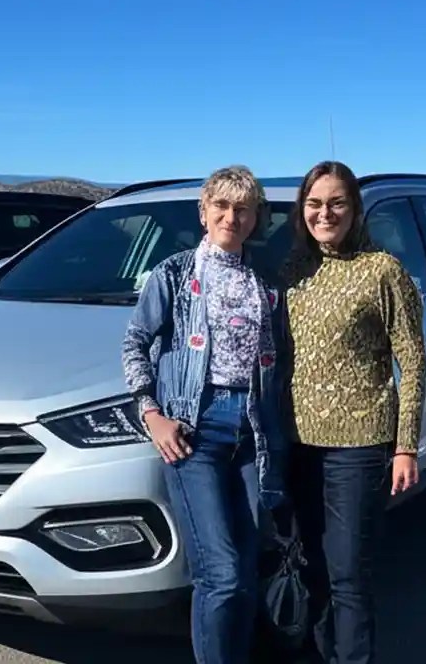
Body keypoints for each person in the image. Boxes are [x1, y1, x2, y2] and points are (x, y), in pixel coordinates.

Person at [120, 164, 290, 664]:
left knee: (243, 570)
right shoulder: (173, 274)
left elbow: (282, 360)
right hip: (196, 431)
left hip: (254, 431)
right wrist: (152, 414)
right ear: (204, 212)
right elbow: (135, 342)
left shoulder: (266, 282)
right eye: (221, 206)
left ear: (256, 218)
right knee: (220, 574)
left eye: (242, 209)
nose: (231, 217)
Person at [280, 160, 426, 664]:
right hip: (297, 445)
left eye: (337, 202)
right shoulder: (292, 270)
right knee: (311, 571)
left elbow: (413, 359)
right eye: (315, 203)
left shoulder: (383, 270)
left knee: (348, 575)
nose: (326, 213)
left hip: (357, 448)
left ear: (355, 209)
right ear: (303, 210)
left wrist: (406, 445)